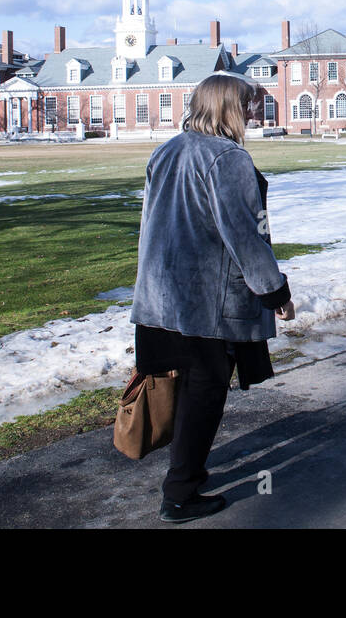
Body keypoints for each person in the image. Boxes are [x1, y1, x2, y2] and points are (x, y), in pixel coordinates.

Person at [130, 75, 295, 524]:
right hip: (206, 300)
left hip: (163, 294)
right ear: (228, 107)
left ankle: (185, 480)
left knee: (189, 389)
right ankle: (180, 492)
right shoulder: (228, 157)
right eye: (249, 104)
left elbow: (148, 226)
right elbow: (244, 236)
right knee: (204, 393)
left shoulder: (166, 149)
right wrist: (275, 291)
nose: (255, 113)